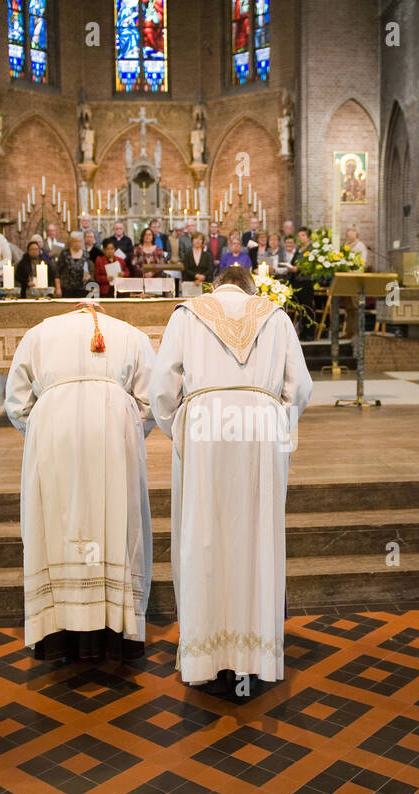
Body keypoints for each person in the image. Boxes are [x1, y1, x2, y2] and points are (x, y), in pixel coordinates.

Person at [151, 265, 313, 691]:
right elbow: (301, 387)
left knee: (204, 533)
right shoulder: (275, 315)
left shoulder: (186, 314)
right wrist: (278, 421)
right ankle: (255, 653)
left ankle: (206, 656)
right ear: (250, 289)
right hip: (261, 427)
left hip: (204, 425)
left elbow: (162, 389)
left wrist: (179, 427)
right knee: (257, 534)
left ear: (216, 286)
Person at [5, 301, 156, 662]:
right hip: (112, 434)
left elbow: (16, 402)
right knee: (115, 522)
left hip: (54, 433)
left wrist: (40, 432)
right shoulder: (131, 334)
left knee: (57, 523)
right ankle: (115, 631)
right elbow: (151, 402)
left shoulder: (39, 333)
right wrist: (128, 435)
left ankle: (59, 632)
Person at [56, 232, 92, 297]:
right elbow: (57, 272)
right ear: (71, 242)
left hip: (82, 289)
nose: (77, 243)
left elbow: (89, 270)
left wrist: (88, 276)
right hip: (67, 289)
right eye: (75, 241)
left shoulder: (86, 254)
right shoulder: (65, 253)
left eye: (79, 241)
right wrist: (58, 288)